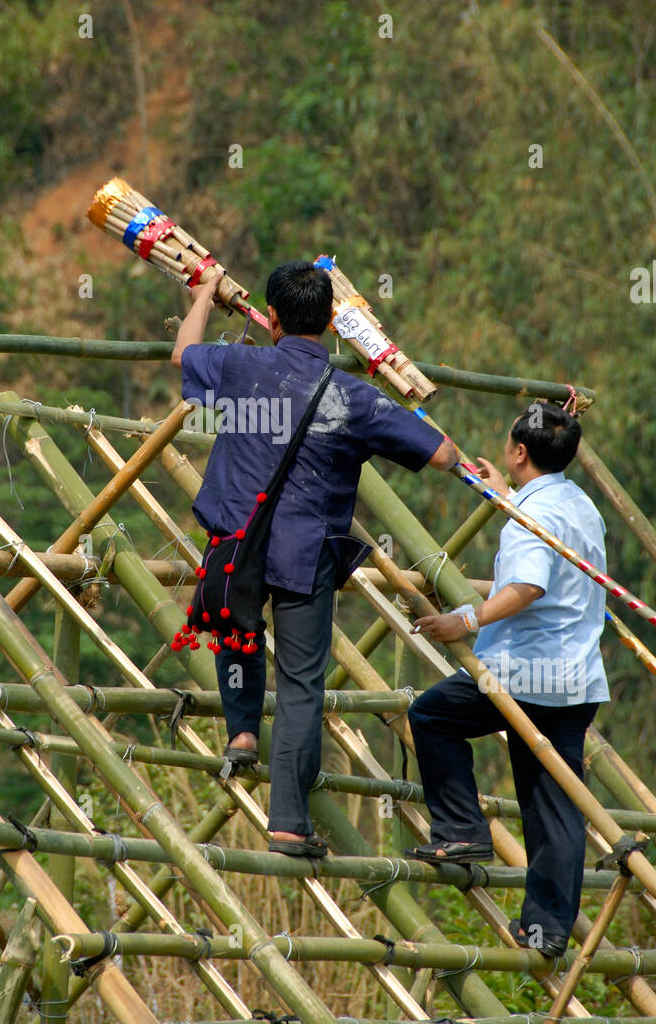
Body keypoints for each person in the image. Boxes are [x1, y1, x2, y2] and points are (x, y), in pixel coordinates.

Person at [171, 260, 456, 857]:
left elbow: (184, 355)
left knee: (236, 623)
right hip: (307, 554)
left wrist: (201, 295)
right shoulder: (355, 396)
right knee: (301, 686)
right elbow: (441, 455)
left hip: (236, 539)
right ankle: (288, 824)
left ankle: (242, 730)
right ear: (332, 321)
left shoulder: (243, 364)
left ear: (270, 318)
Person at [407, 402, 610, 956]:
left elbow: (528, 586)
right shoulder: (577, 504)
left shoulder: (530, 515)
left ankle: (460, 832)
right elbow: (543, 543)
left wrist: (464, 619)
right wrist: (507, 495)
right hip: (575, 678)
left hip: (525, 672)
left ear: (519, 452)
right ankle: (545, 930)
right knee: (555, 802)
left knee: (431, 716)